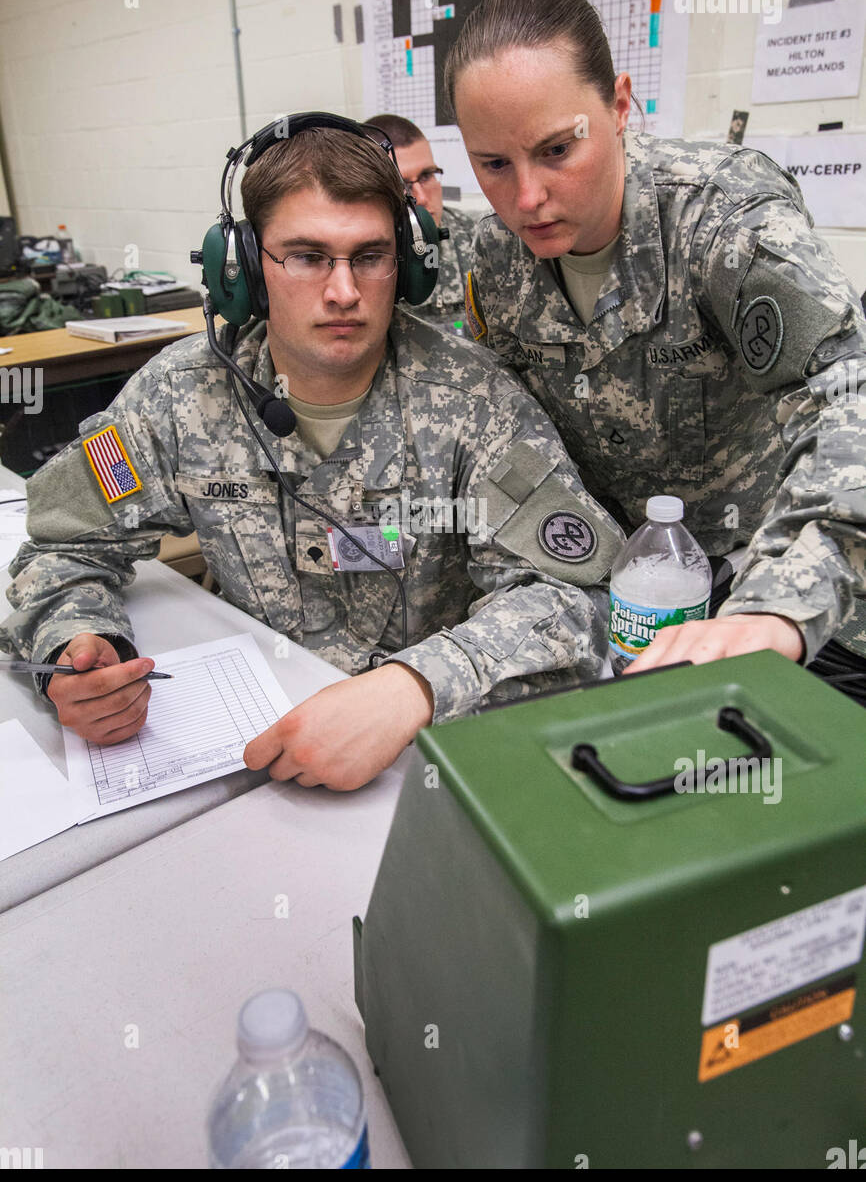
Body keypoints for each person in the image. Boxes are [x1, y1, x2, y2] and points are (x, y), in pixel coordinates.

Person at [0, 118, 625, 790]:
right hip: (241, 753)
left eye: (369, 256)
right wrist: (76, 648)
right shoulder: (181, 396)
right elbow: (62, 544)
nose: (344, 292)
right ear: (243, 272)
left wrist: (416, 685)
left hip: (420, 764)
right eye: (306, 256)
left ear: (406, 265)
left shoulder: (474, 401)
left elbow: (578, 597)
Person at [444, 0, 866, 676]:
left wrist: (780, 603)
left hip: (762, 580)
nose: (526, 198)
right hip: (610, 590)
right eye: (493, 164)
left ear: (617, 105)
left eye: (556, 150)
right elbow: (511, 432)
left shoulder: (724, 217)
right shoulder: (495, 256)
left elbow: (847, 394)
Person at [364, 113, 481, 336]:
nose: (422, 198)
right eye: (404, 185)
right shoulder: (355, 260)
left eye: (427, 175)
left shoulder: (482, 241)